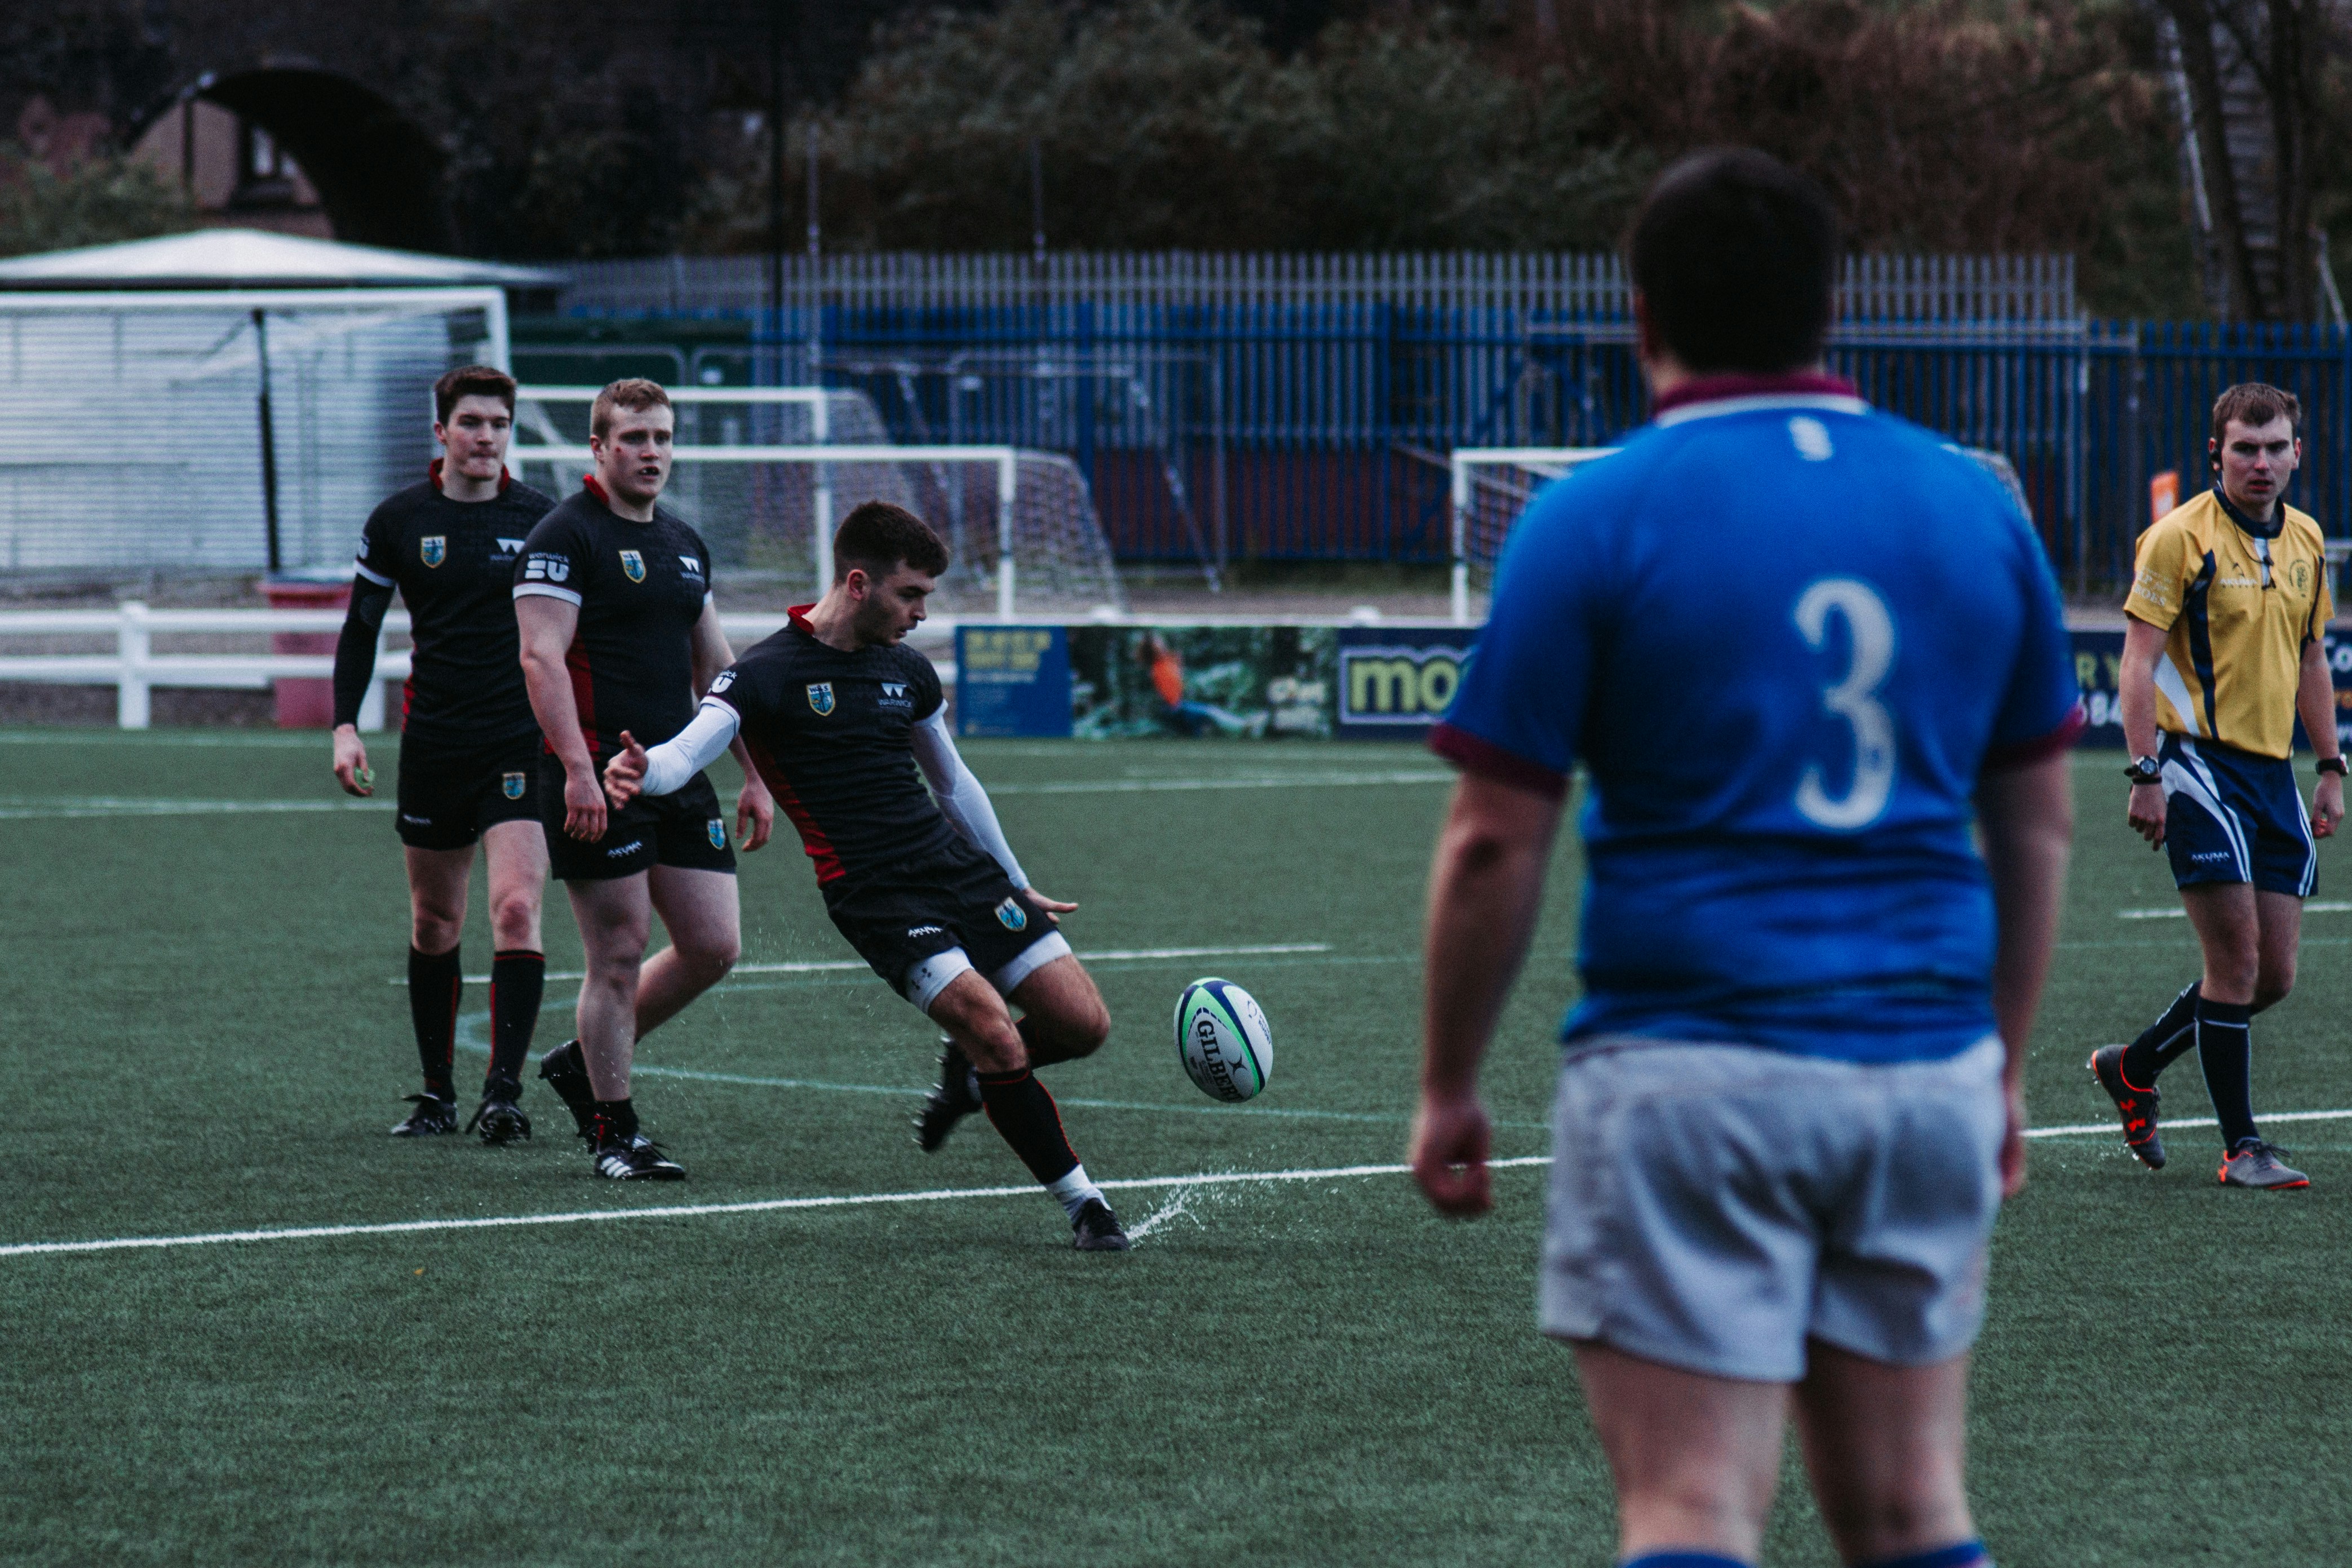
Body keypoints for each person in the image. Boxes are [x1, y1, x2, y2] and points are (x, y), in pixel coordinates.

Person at [1409, 149, 2078, 1568]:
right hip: (1920, 1068)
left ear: (1641, 313)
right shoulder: (1974, 507)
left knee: (1691, 1509)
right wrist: (2001, 1065)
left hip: (1687, 1069)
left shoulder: (1590, 514)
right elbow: (2033, 824)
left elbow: (1491, 840)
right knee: (1911, 1513)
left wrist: (1448, 1081)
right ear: (1829, 308)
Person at [602, 500, 1128, 1250]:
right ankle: (1087, 1207)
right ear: (858, 583)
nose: (921, 613)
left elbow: (953, 786)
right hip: (876, 895)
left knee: (1082, 1025)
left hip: (957, 871)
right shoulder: (764, 674)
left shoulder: (906, 668)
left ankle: (971, 1077)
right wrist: (643, 769)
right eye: (910, 594)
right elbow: (686, 754)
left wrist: (1013, 877)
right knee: (997, 1033)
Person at [511, 378, 774, 1181]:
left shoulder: (684, 542)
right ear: (599, 448)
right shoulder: (565, 536)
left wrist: (756, 774)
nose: (650, 452)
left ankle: (578, 1062)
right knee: (619, 952)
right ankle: (613, 1131)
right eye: (633, 438)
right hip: (599, 776)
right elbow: (540, 657)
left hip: (676, 772)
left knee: (713, 945)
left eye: (661, 437)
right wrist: (578, 772)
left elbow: (717, 667)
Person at [2089, 383, 2340, 1189]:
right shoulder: (2177, 538)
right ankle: (2242, 1148)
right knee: (2233, 962)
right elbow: (2136, 663)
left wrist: (2330, 767)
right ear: (2216, 453)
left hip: (2271, 773)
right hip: (2194, 765)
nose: (2261, 463)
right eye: (2244, 448)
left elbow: (2311, 659)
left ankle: (2133, 1067)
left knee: (2272, 977)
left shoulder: (2307, 540)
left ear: (2297, 453)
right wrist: (2144, 772)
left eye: (2274, 448)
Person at [331, 365, 559, 1144]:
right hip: (433, 742)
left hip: (519, 741)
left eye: (499, 424)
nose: (486, 437)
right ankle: (437, 1095)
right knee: (435, 921)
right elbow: (361, 628)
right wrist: (345, 726)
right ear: (442, 432)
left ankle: (504, 1093)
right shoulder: (399, 520)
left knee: (517, 907)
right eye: (471, 423)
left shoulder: (544, 520)